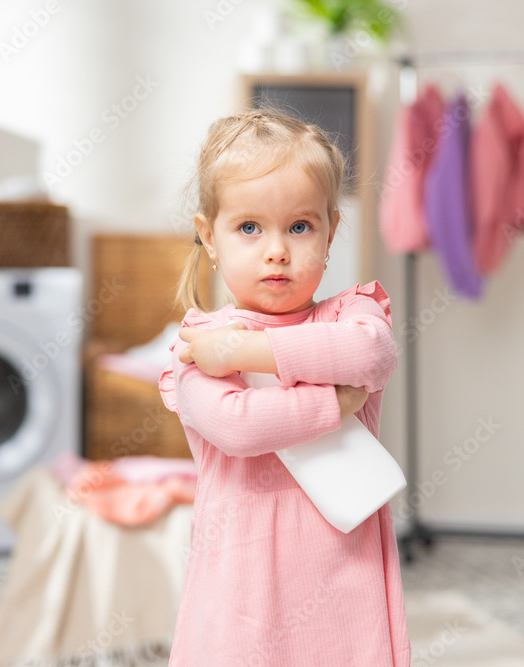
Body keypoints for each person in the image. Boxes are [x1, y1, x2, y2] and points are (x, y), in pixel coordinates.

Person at [159, 108, 411, 666]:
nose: (277, 249)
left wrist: (246, 352)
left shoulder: (352, 313)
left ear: (330, 230)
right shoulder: (199, 340)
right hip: (240, 580)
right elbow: (236, 426)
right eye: (250, 228)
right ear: (210, 237)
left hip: (345, 572)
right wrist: (330, 402)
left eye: (299, 226)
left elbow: (371, 355)